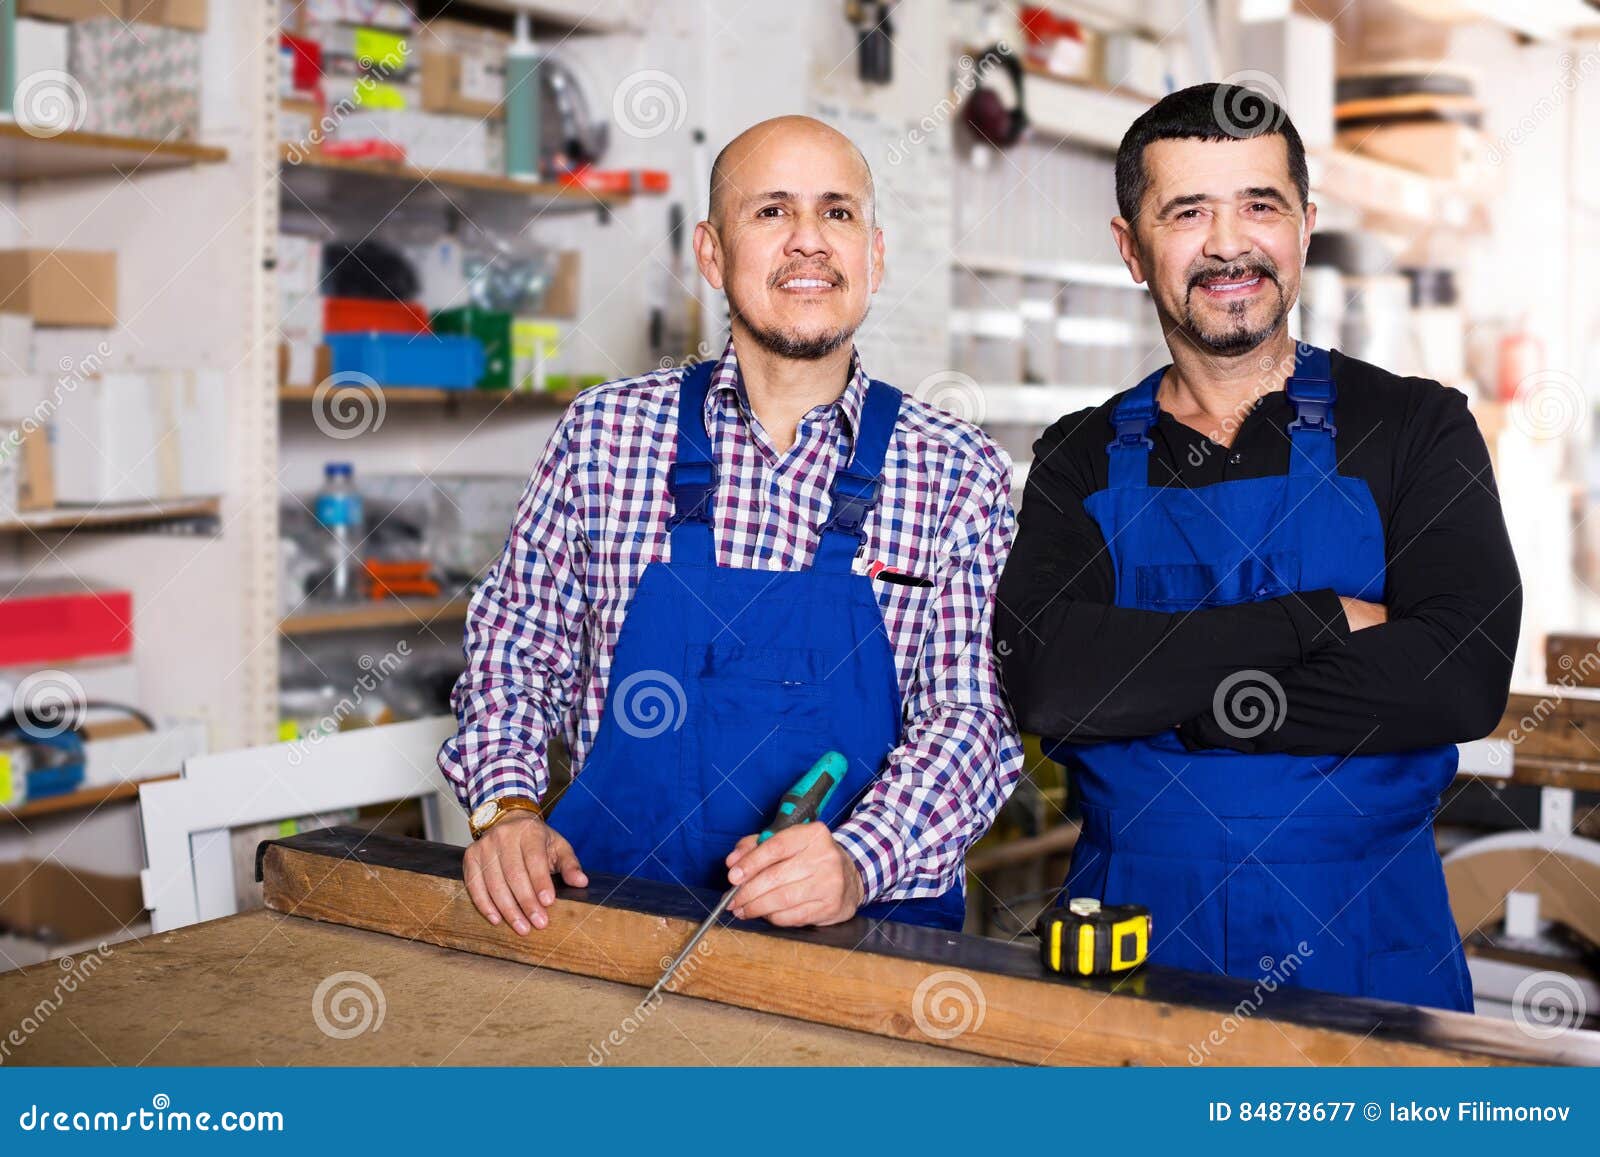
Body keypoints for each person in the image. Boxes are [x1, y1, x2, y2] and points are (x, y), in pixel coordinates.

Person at [994, 84, 1519, 1011]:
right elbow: (1052, 682)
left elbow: (1458, 676)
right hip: (1126, 949)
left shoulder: (1416, 427)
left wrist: (1181, 704)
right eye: (1188, 211)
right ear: (1130, 247)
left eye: (1260, 206)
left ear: (1305, 228)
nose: (1229, 244)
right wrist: (1316, 619)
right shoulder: (1077, 456)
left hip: (1365, 941)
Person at [440, 115, 1023, 937]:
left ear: (876, 256)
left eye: (838, 213)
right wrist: (505, 809)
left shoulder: (959, 470)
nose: (809, 243)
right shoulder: (604, 434)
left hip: (867, 945)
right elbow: (515, 641)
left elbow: (972, 720)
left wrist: (859, 858)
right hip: (613, 925)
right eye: (773, 212)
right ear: (712, 254)